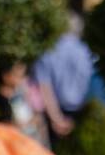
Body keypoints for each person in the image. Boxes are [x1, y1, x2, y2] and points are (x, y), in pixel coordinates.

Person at [31, 12, 95, 146]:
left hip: (54, 116)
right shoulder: (88, 52)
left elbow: (45, 88)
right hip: (83, 113)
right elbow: (94, 86)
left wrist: (57, 119)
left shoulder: (47, 51)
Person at [0, 59, 48, 146]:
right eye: (17, 76)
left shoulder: (19, 95)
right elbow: (4, 125)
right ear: (6, 76)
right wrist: (26, 125)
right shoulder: (0, 98)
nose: (21, 80)